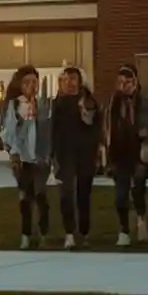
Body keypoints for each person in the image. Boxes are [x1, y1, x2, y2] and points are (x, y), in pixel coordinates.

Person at [104, 63, 148, 247]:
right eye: (120, 81)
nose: (124, 85)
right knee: (120, 195)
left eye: (128, 81)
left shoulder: (146, 103)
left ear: (135, 82)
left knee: (138, 190)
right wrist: (105, 153)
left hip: (139, 152)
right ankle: (123, 230)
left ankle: (141, 218)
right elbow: (106, 128)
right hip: (119, 153)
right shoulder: (113, 104)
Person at [0, 64, 52, 249]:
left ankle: (44, 233)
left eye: (34, 82)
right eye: (27, 82)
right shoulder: (15, 105)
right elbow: (8, 132)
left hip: (40, 159)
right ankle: (26, 235)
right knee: (25, 199)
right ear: (20, 85)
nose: (31, 86)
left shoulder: (43, 105)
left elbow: (48, 131)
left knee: (41, 196)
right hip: (22, 159)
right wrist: (13, 154)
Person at [50, 66, 102, 250]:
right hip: (64, 156)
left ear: (80, 81)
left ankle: (85, 231)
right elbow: (52, 132)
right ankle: (69, 233)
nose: (68, 83)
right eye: (64, 79)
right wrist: (51, 156)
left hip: (85, 155)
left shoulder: (88, 101)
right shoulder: (56, 104)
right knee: (66, 194)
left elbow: (96, 127)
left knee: (83, 194)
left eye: (72, 79)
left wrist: (97, 152)